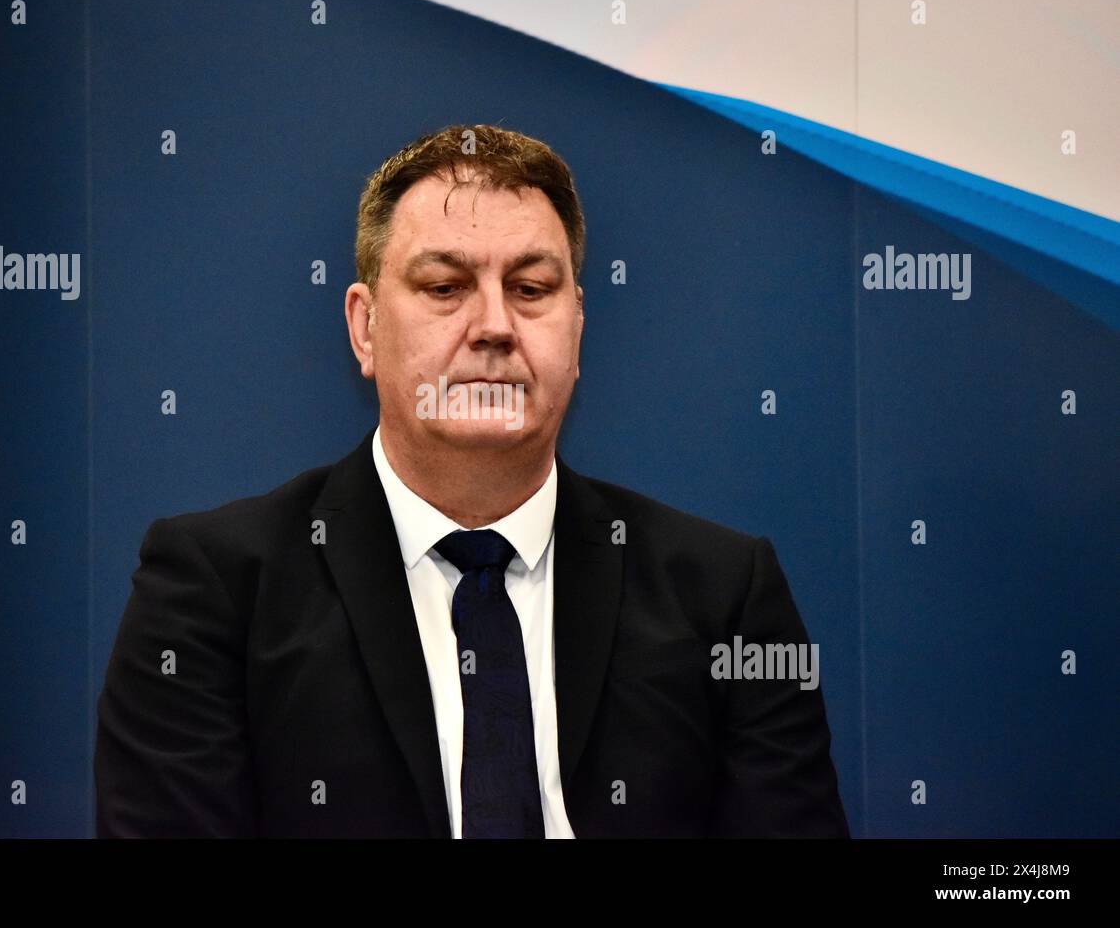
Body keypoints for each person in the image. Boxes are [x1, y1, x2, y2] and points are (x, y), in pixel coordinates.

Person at [94, 123, 850, 838]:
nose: (493, 325)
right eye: (445, 287)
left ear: (576, 326)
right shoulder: (216, 591)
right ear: (365, 328)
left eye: (530, 289)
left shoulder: (723, 595)